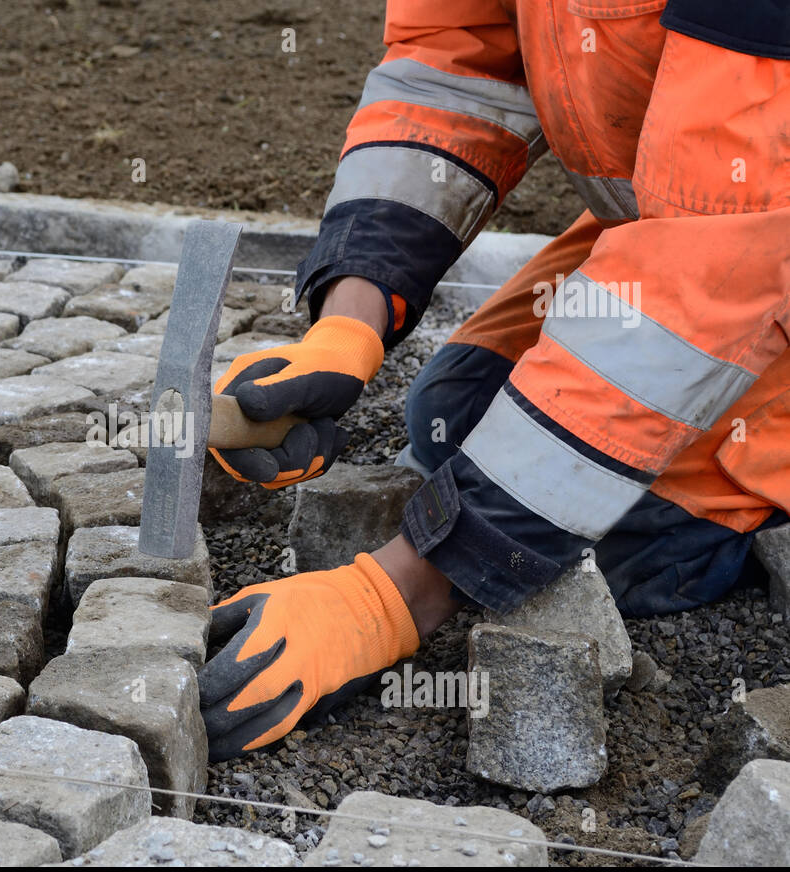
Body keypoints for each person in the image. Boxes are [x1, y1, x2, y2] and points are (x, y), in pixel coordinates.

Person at [199, 1, 790, 762]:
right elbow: (454, 71)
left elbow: (712, 261)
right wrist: (351, 318)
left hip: (742, 244)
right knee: (456, 416)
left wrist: (395, 596)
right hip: (680, 221)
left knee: (621, 537)